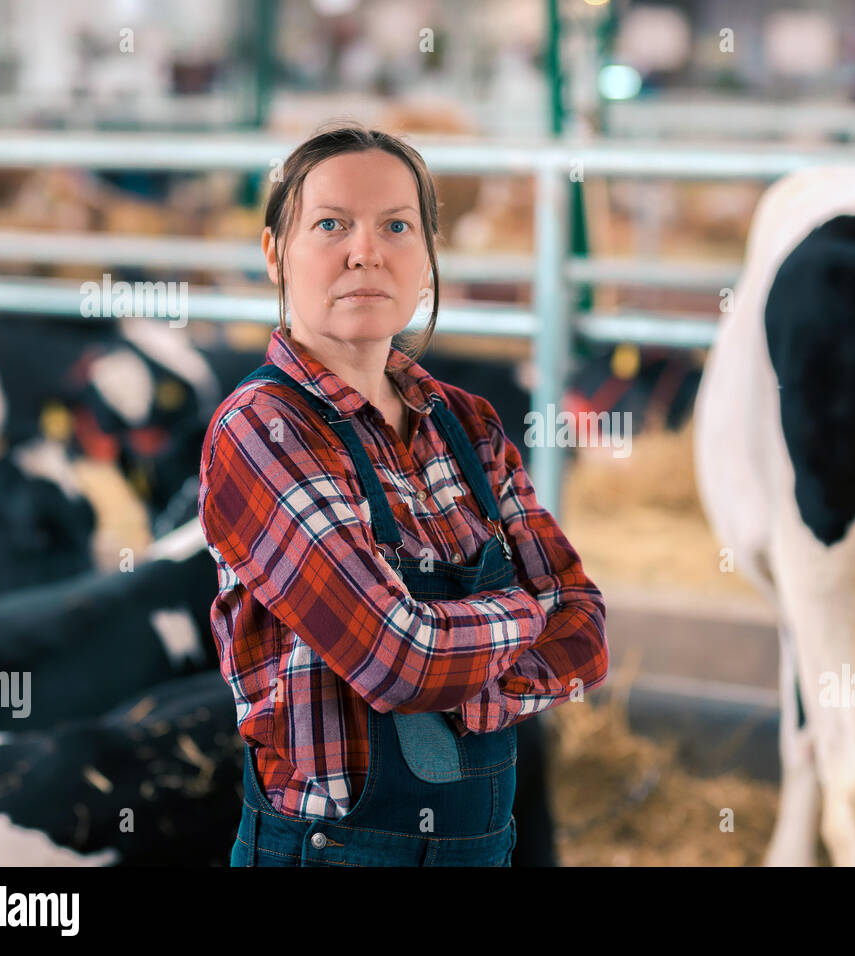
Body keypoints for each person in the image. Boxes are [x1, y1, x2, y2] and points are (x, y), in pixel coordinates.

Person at [198, 124, 609, 867]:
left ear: (426, 261)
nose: (367, 252)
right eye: (330, 225)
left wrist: (468, 682)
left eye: (397, 225)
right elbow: (399, 659)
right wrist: (520, 614)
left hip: (478, 850)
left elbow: (585, 626)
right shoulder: (261, 431)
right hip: (327, 854)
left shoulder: (469, 424)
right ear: (273, 256)